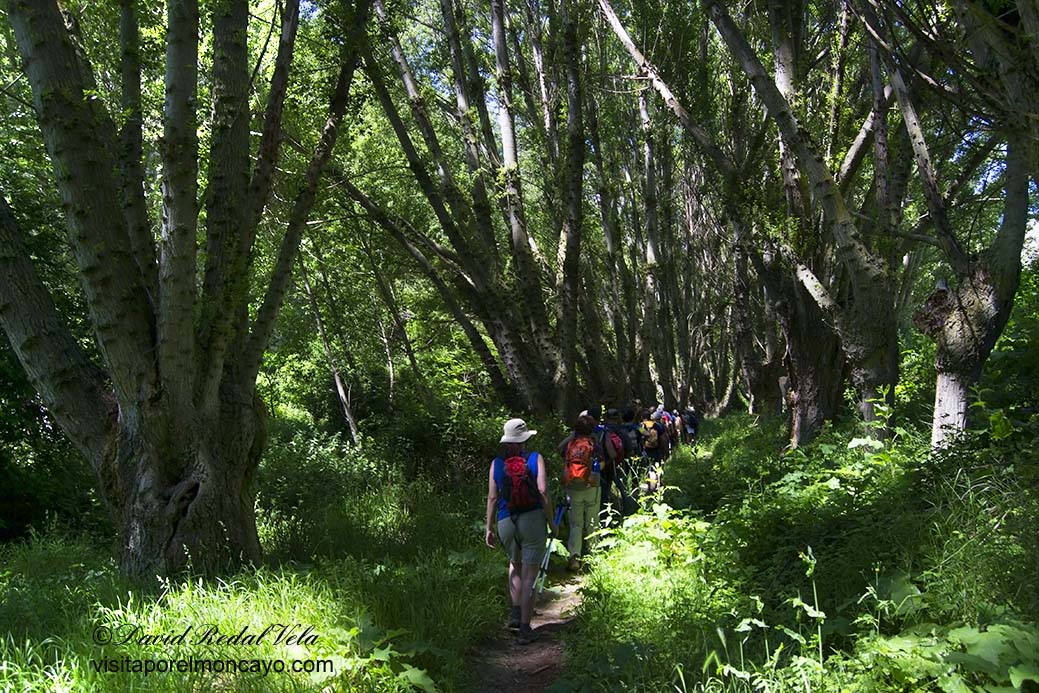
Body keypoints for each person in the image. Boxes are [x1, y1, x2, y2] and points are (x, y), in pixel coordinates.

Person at [485, 418, 556, 645]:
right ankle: (526, 628)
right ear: (525, 439)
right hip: (532, 519)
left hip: (506, 520)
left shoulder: (496, 464)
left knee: (515, 565)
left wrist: (488, 527)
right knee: (530, 573)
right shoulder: (535, 459)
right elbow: (543, 491)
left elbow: (493, 497)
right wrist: (551, 521)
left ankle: (515, 616)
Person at [557, 413, 607, 571]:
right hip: (591, 486)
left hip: (572, 487)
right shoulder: (594, 444)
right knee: (592, 521)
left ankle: (574, 557)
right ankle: (593, 555)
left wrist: (572, 436)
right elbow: (603, 463)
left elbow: (559, 450)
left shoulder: (570, 444)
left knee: (576, 523)